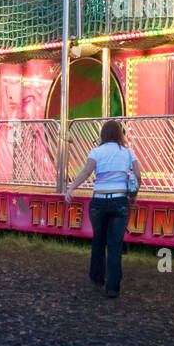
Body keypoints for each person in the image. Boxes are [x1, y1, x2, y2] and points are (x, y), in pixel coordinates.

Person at [64, 120, 142, 299]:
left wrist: (71, 188)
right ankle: (113, 287)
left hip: (98, 201)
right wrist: (133, 196)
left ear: (103, 135)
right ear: (120, 134)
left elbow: (86, 172)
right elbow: (138, 176)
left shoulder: (96, 152)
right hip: (120, 201)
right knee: (115, 244)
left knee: (98, 240)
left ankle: (96, 279)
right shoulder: (128, 152)